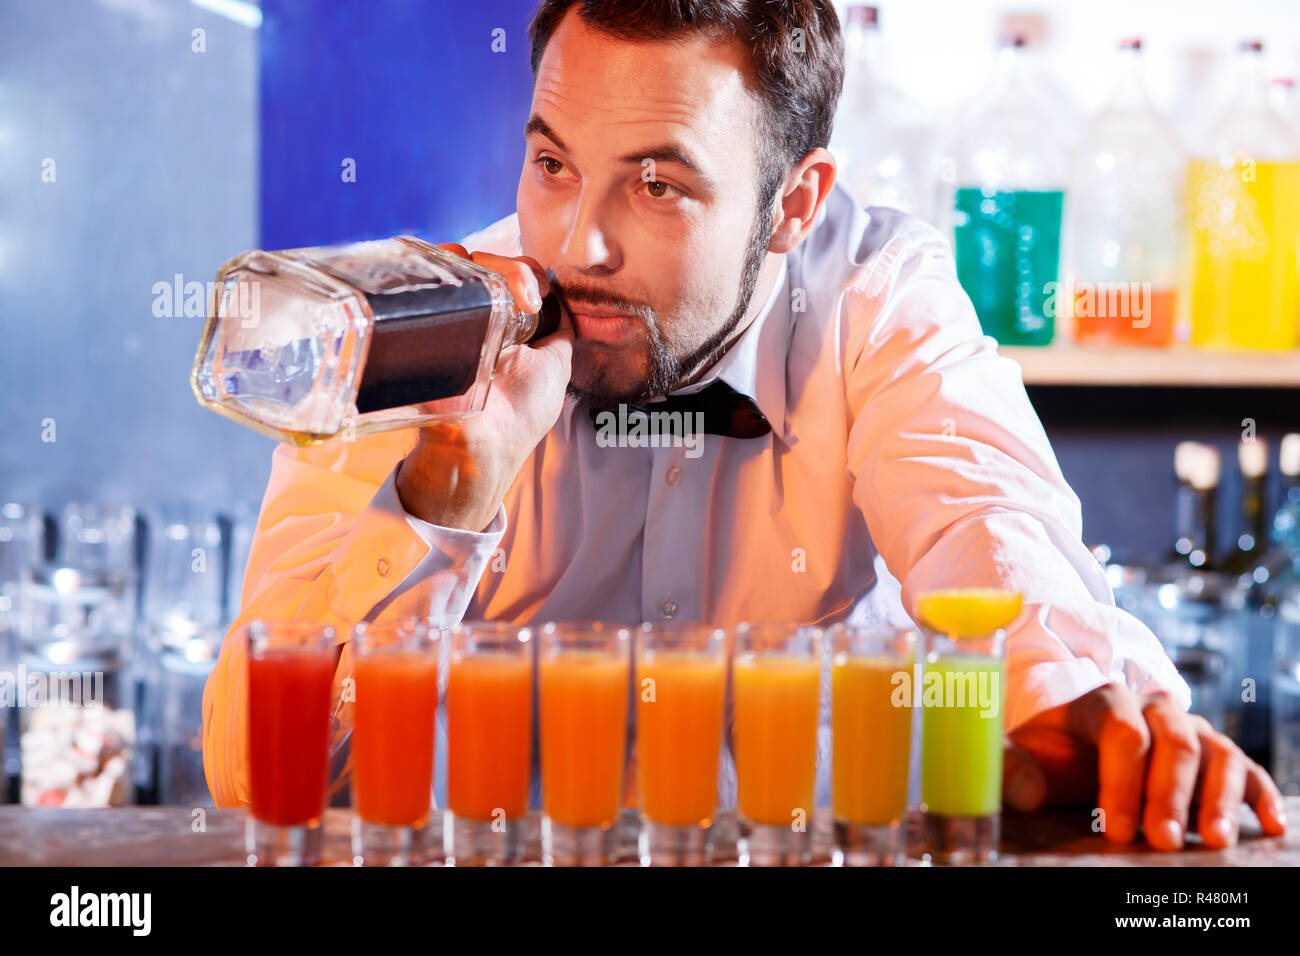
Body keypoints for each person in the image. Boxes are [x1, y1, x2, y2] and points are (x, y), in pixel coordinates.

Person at [203, 0, 1287, 851]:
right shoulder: (426, 332)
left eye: (658, 185)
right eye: (552, 164)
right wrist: (446, 491)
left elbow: (981, 515)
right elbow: (258, 773)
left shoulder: (875, 293)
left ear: (795, 203)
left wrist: (1091, 709)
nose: (579, 244)